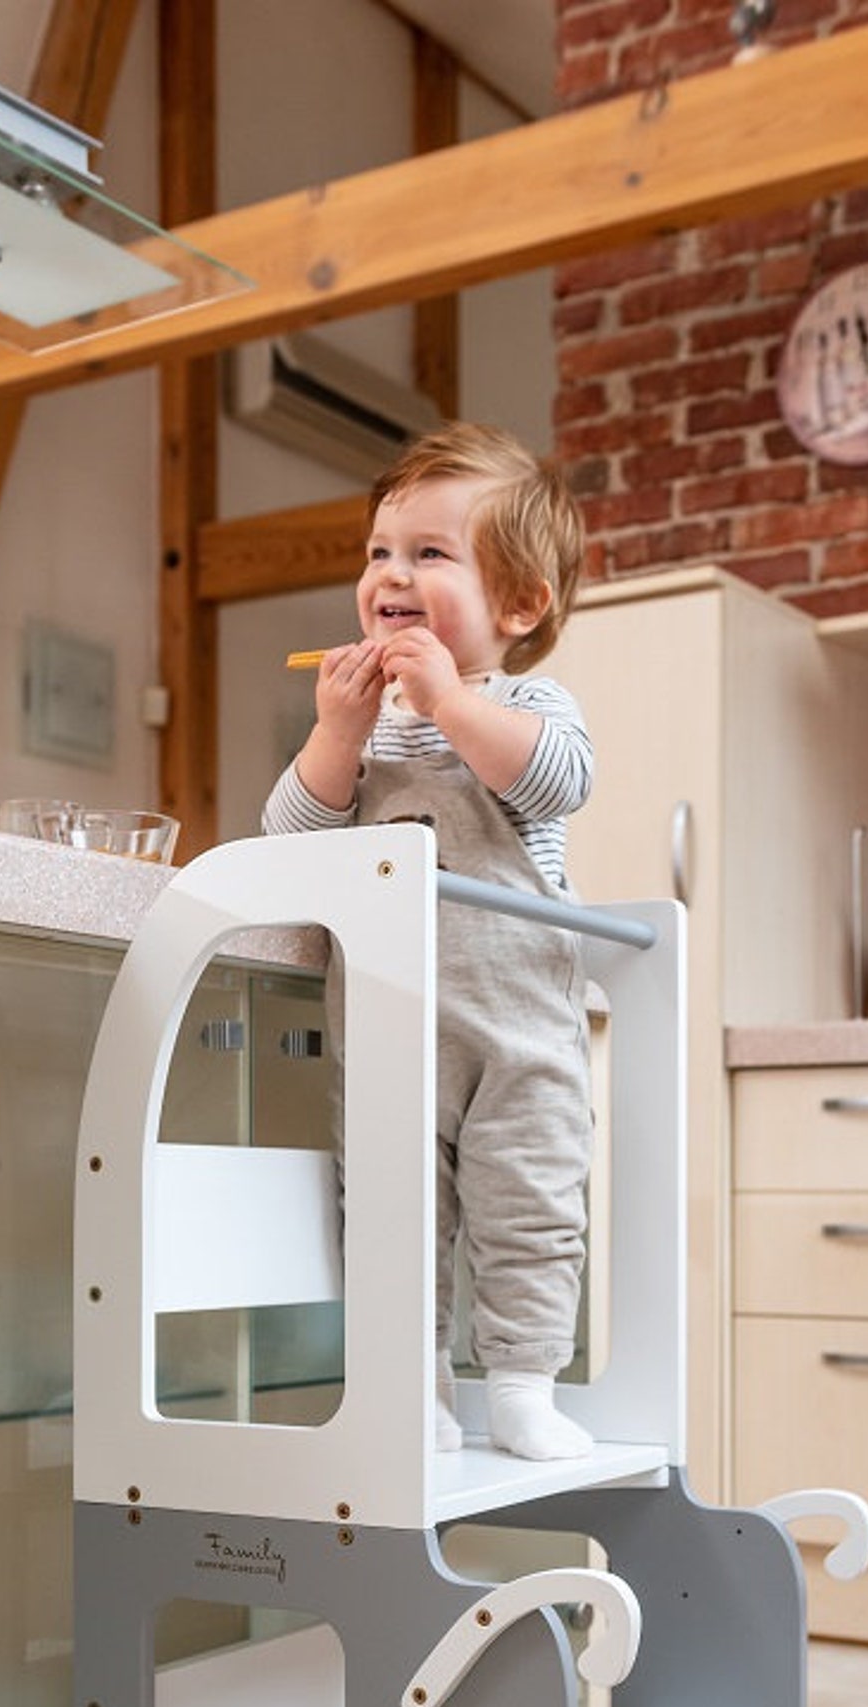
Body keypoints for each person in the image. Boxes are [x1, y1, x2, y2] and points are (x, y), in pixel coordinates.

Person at [263, 422, 595, 1462]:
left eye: (429, 554)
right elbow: (290, 840)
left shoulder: (521, 701)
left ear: (519, 604)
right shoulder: (365, 729)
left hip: (520, 1030)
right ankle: (415, 1393)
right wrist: (335, 735)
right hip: (390, 1022)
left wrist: (446, 698)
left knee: (527, 1206)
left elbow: (555, 780)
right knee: (394, 1220)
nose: (391, 576)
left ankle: (524, 1384)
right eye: (378, 554)